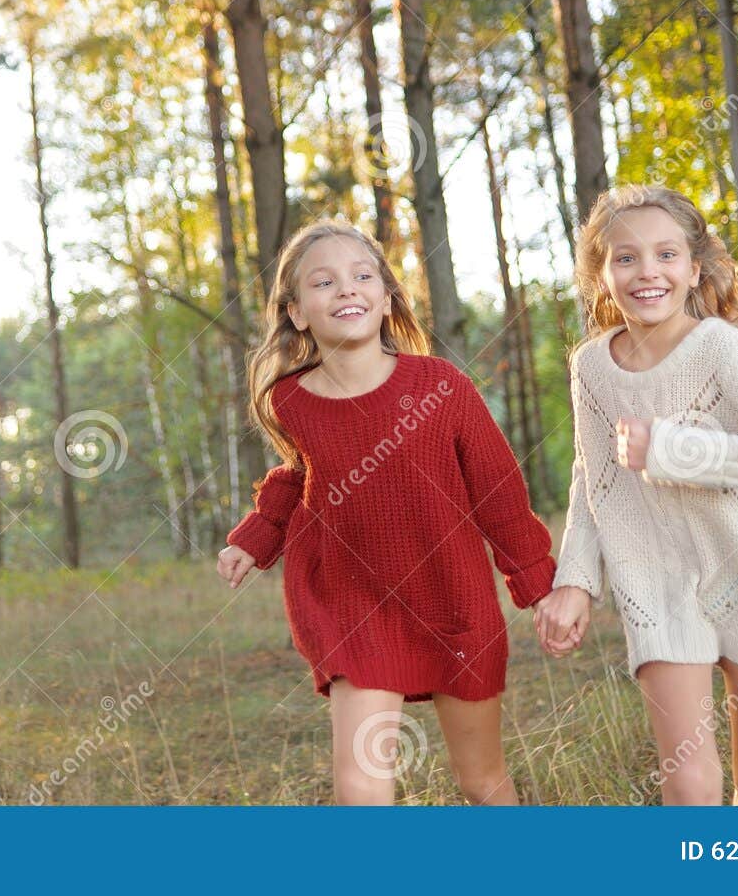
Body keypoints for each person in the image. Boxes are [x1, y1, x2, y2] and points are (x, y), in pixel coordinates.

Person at [216, 220, 556, 805]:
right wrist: (258, 533)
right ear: (297, 312)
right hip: (352, 604)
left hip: (453, 600)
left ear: (387, 296)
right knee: (360, 788)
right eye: (324, 282)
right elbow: (302, 471)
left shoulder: (442, 388)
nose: (347, 289)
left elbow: (498, 492)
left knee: (481, 780)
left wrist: (536, 583)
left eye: (362, 275)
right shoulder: (292, 399)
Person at [535, 184, 738, 805]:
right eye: (626, 257)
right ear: (600, 274)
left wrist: (670, 450)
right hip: (656, 583)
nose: (648, 272)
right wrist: (575, 579)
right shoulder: (590, 366)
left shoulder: (722, 348)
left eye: (666, 255)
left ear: (694, 269)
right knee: (688, 786)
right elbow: (593, 479)